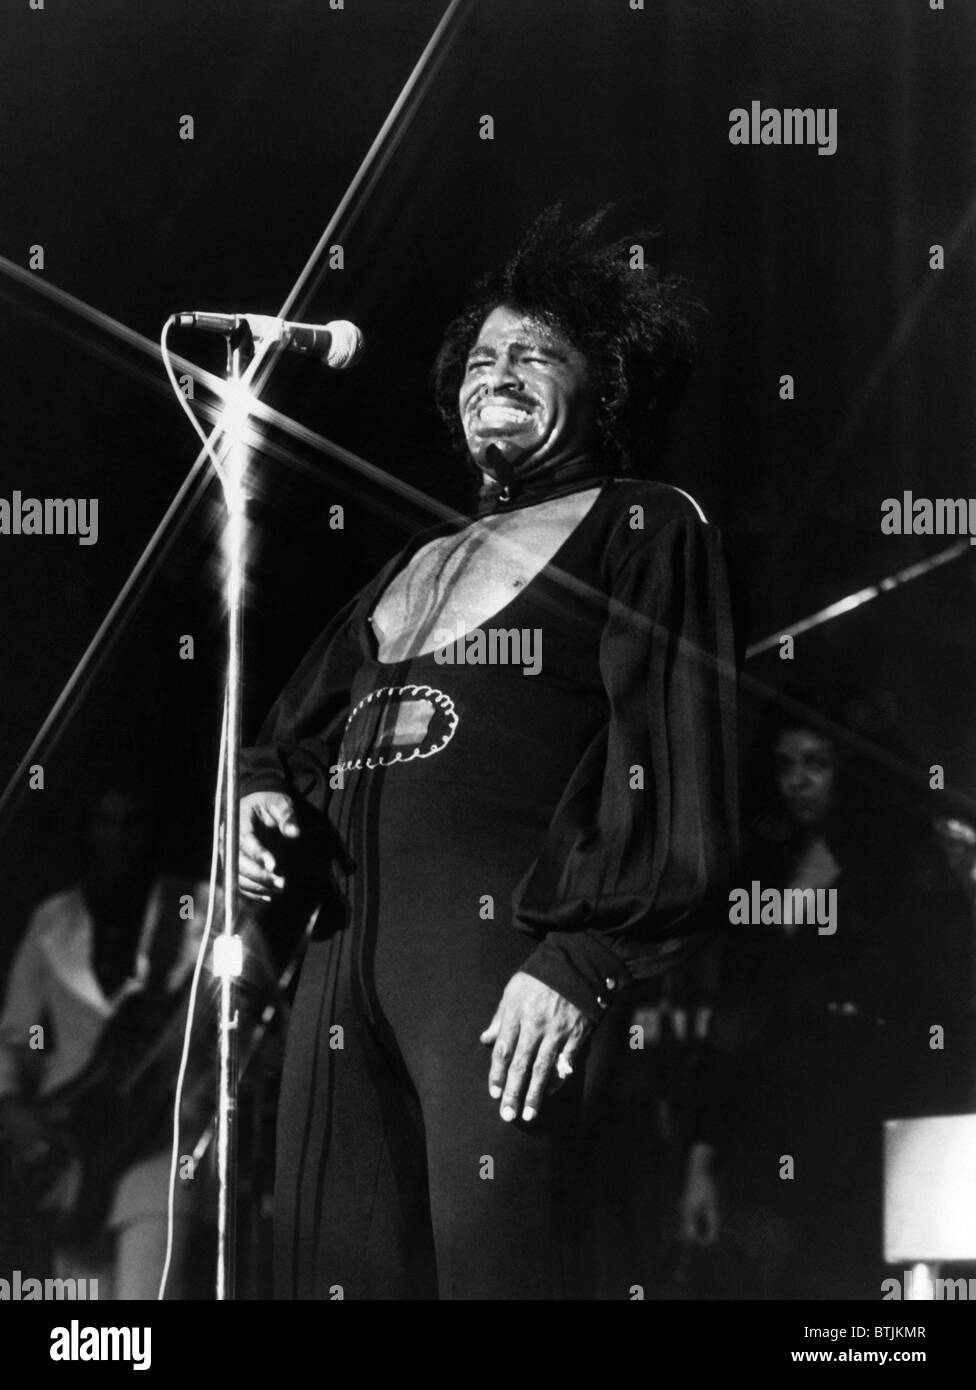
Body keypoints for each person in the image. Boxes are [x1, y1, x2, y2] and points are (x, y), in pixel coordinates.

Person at [239, 206, 739, 1300]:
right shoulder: (410, 565)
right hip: (337, 972)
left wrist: (580, 959)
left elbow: (675, 768)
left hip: (498, 977)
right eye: (478, 357)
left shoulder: (644, 524)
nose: (493, 371)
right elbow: (289, 737)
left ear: (603, 385)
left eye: (532, 353)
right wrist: (265, 799)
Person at [680, 688, 973, 1299]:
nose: (798, 781)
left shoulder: (898, 860)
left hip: (887, 1114)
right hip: (784, 1121)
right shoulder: (764, 869)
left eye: (816, 763)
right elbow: (734, 1016)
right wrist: (701, 1164)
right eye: (786, 764)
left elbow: (944, 988)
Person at [0, 784, 211, 1299]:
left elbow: (247, 1010)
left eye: (133, 821)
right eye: (106, 821)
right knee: (88, 1336)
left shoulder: (198, 907)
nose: (119, 837)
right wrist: (12, 1108)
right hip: (74, 1150)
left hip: (161, 1142)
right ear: (87, 829)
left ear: (153, 828)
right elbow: (17, 1035)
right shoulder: (55, 918)